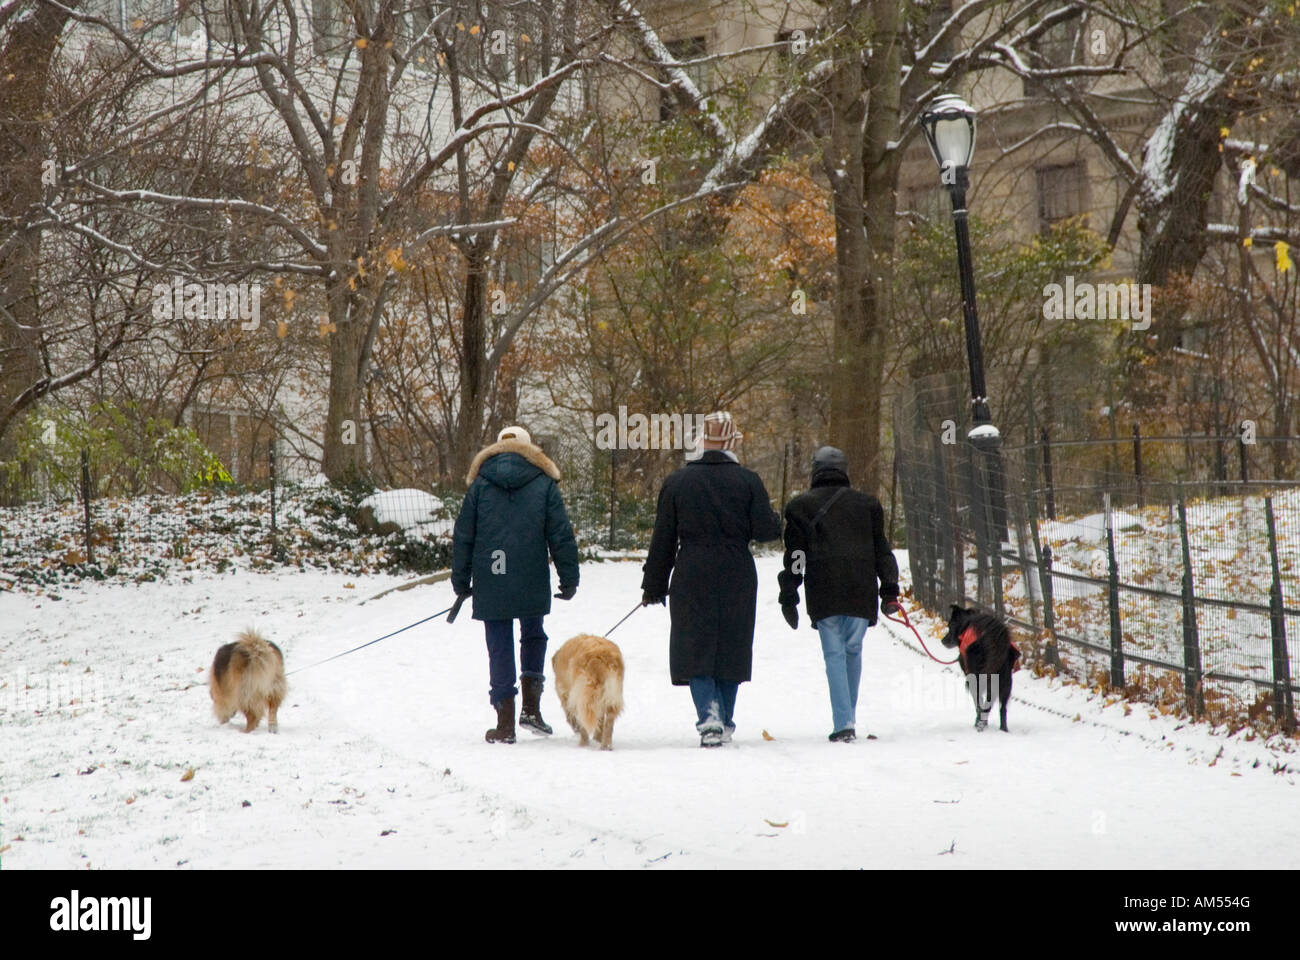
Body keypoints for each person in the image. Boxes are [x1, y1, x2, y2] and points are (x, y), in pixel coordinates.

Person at [641, 411, 782, 747]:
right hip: (737, 570)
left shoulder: (677, 482)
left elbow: (663, 538)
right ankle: (725, 718)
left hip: (692, 569)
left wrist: (654, 585)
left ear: (701, 441)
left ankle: (709, 716)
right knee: (731, 642)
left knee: (695, 643)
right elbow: (766, 531)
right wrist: (775, 517)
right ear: (733, 442)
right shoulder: (748, 481)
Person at [452, 426, 579, 744]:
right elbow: (560, 534)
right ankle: (532, 710)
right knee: (533, 635)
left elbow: (464, 535)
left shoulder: (479, 485)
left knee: (499, 644)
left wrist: (461, 579)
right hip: (530, 572)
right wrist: (569, 577)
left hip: (491, 573)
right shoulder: (544, 483)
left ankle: (505, 721)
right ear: (529, 448)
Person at [778, 445, 900, 742]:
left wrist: (789, 594)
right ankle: (847, 718)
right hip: (861, 586)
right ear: (844, 470)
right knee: (853, 650)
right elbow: (882, 550)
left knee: (834, 653)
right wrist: (889, 590)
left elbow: (796, 556)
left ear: (814, 470)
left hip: (824, 587)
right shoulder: (868, 505)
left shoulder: (799, 507)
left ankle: (844, 722)